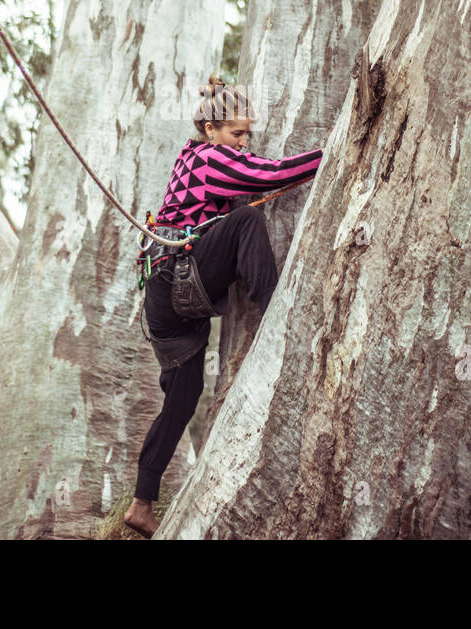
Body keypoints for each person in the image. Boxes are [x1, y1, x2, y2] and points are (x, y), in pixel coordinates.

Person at [124, 75, 323, 538]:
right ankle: (276, 313)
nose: (243, 142)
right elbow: (271, 175)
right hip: (176, 281)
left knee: (183, 397)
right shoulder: (212, 160)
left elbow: (252, 170)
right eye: (236, 133)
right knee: (247, 219)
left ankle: (141, 503)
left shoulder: (195, 155)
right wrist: (328, 152)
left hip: (164, 300)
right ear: (211, 130)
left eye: (246, 134)